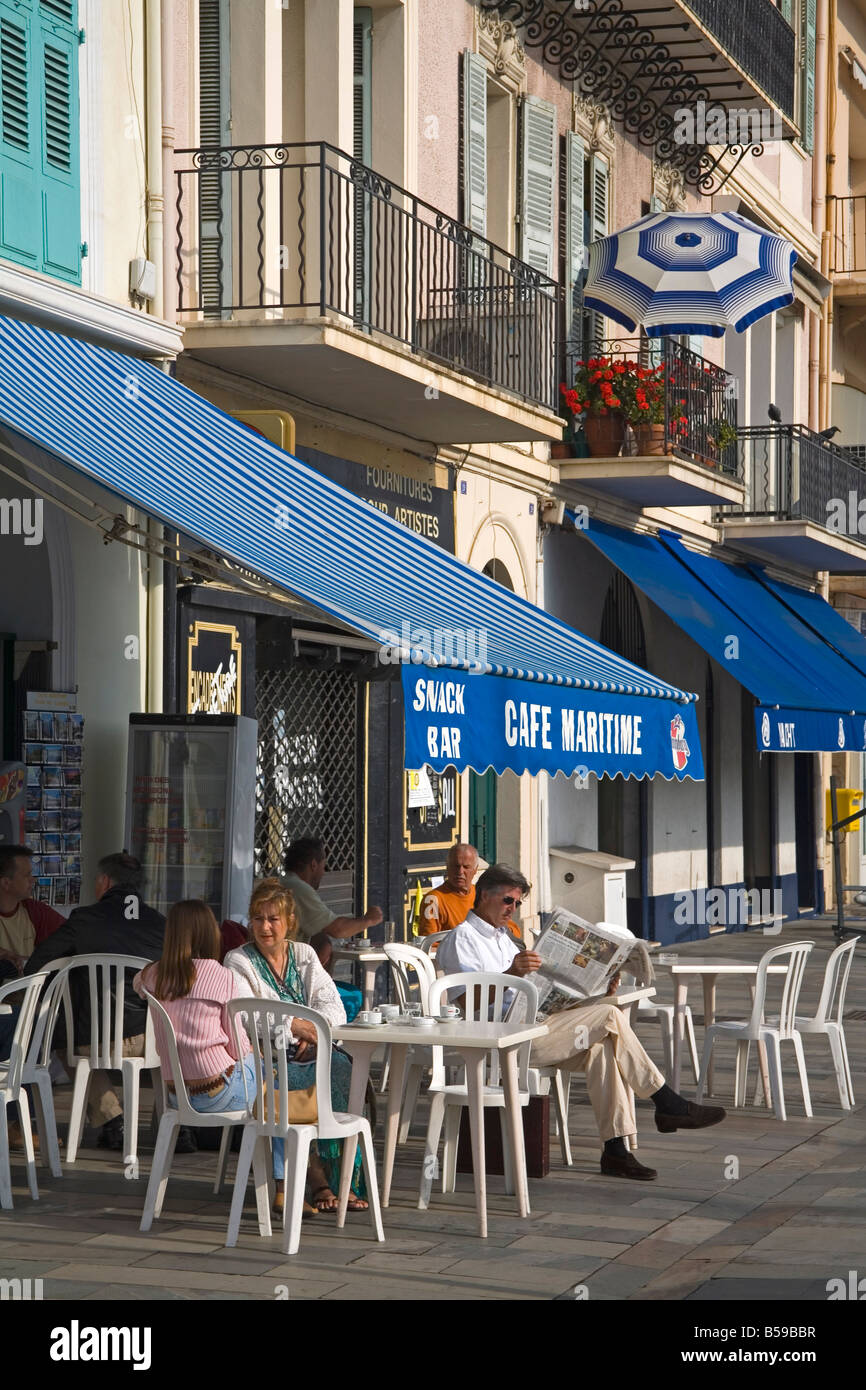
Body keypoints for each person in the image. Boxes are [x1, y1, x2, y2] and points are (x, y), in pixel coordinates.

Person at [436, 863, 726, 1181]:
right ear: (484, 896)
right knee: (611, 1016)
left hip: (535, 1025)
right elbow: (466, 1003)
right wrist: (511, 975)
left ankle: (615, 1151)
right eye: (508, 901)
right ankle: (665, 1101)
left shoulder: (506, 938)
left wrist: (599, 988)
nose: (513, 909)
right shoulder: (463, 938)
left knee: (602, 1048)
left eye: (518, 903)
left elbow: (541, 991)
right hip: (500, 1039)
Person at [224, 877, 368, 1215]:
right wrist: (295, 1027)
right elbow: (246, 1015)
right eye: (257, 918)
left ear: (290, 922)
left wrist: (311, 1034)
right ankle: (318, 1181)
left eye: (273, 919)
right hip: (266, 1057)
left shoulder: (304, 954)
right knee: (285, 1082)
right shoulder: (238, 960)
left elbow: (331, 1004)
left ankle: (342, 1178)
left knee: (344, 1070)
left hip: (313, 1050)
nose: (265, 927)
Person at [25, 852, 173, 1153]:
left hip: (97, 1041)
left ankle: (111, 1119)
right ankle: (174, 1123)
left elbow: (39, 964)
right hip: (153, 1040)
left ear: (104, 882)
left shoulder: (85, 919)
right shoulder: (161, 924)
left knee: (62, 1039)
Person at [133, 900, 257, 1168]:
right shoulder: (222, 975)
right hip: (219, 1093)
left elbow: (137, 983)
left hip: (177, 1095)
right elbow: (237, 1047)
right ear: (208, 932)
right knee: (272, 1073)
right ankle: (276, 1181)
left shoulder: (152, 975)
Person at [0, 845, 65, 1150]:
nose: (34, 880)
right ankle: (13, 1123)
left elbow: (70, 936)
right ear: (5, 882)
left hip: (18, 1008)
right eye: (27, 875)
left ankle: (14, 1122)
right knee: (23, 1031)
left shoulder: (34, 912)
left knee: (35, 1025)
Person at [282, 837, 382, 967]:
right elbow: (337, 929)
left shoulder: (284, 882)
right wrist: (369, 919)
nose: (324, 873)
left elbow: (321, 930)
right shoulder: (298, 888)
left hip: (282, 965)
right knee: (351, 989)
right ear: (313, 865)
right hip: (285, 971)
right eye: (323, 866)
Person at [415, 842, 521, 940]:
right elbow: (428, 943)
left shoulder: (484, 895)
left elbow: (513, 932)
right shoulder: (433, 900)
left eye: (466, 867)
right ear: (447, 867)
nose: (460, 872)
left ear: (475, 870)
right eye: (456, 866)